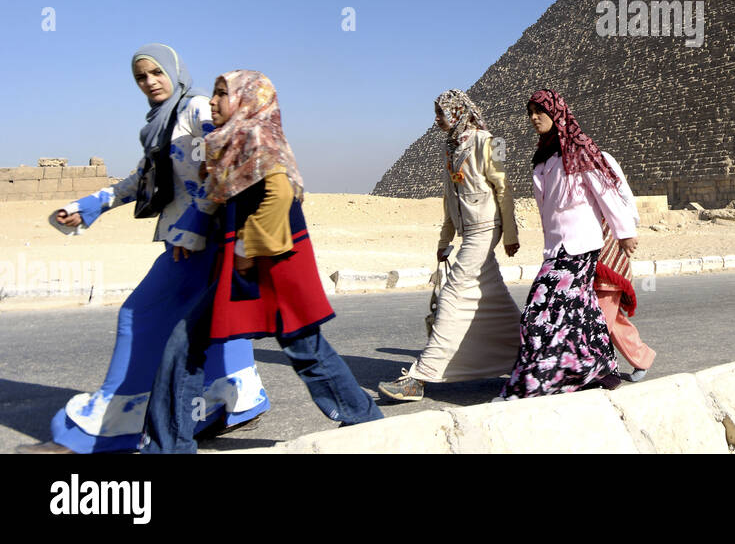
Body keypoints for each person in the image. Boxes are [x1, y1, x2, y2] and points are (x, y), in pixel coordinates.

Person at [17, 45, 268, 455]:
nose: (150, 81)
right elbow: (144, 178)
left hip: (201, 240)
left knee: (139, 317)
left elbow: (225, 161)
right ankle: (229, 404)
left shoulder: (197, 109)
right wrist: (90, 205)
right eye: (140, 77)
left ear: (174, 71)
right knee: (211, 326)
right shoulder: (162, 123)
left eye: (156, 72)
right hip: (191, 239)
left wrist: (194, 223)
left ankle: (100, 432)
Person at [143, 71, 382, 453]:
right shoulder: (233, 142)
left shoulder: (258, 139)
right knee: (189, 343)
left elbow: (281, 191)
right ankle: (167, 444)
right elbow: (217, 193)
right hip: (254, 261)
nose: (214, 102)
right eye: (215, 94)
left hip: (272, 262)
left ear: (245, 100)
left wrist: (244, 249)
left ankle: (367, 425)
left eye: (223, 94)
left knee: (305, 349)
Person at [378, 90, 521, 402]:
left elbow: (504, 188)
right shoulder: (450, 146)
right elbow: (449, 198)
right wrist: (445, 240)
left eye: (441, 113)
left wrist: (510, 234)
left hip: (486, 227)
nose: (437, 119)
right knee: (493, 298)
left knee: (454, 293)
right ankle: (530, 352)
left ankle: (419, 377)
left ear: (457, 112)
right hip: (466, 229)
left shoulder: (491, 142)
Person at [499, 90, 637, 399]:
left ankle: (536, 380)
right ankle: (601, 369)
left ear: (557, 113)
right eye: (530, 112)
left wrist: (624, 231)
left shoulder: (580, 151)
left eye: (540, 111)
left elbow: (607, 191)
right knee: (583, 311)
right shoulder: (543, 156)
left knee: (538, 311)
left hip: (580, 245)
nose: (534, 118)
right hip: (556, 248)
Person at [593, 151, 655, 382]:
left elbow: (624, 203)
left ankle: (588, 369)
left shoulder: (597, 160)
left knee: (599, 318)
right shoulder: (559, 163)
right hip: (586, 256)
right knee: (611, 318)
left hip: (607, 259)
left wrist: (626, 231)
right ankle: (642, 357)